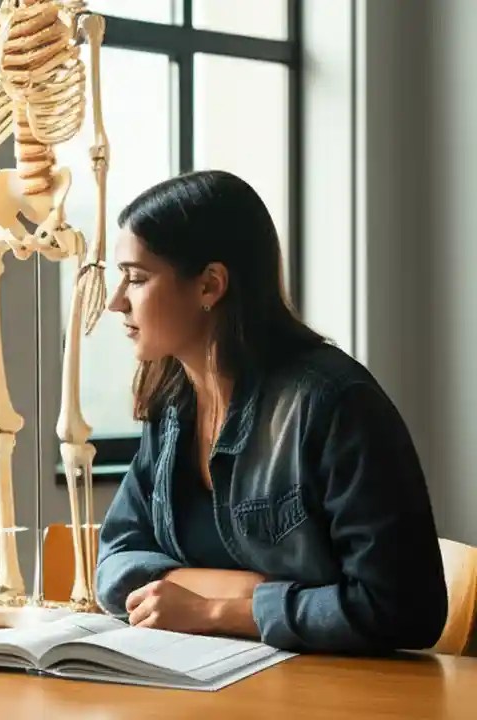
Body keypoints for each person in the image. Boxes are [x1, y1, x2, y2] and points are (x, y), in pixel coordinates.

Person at [92, 169, 448, 654]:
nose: (116, 302)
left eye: (136, 278)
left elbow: (404, 609)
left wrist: (216, 611)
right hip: (209, 676)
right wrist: (246, 587)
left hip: (330, 687)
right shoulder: (173, 402)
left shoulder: (334, 404)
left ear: (210, 285)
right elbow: (115, 563)